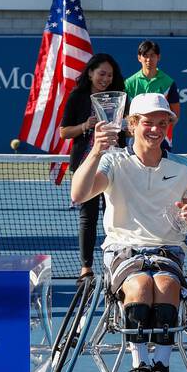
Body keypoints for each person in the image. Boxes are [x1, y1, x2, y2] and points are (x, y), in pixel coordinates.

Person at [70, 92, 187, 372]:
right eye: (148, 122)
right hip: (123, 249)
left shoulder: (185, 168)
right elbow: (79, 195)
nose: (155, 129)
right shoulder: (113, 160)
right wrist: (95, 150)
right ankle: (139, 369)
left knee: (164, 284)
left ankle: (160, 368)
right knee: (140, 286)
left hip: (168, 250)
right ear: (132, 125)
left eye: (162, 122)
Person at [59, 53, 127, 280]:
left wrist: (123, 131)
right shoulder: (77, 97)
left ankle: (115, 264)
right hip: (85, 166)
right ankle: (86, 268)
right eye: (101, 74)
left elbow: (128, 127)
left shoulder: (118, 99)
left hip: (114, 166)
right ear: (90, 73)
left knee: (115, 214)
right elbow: (64, 131)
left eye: (110, 75)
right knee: (88, 217)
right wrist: (83, 126)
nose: (105, 79)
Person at [124, 39, 181, 148]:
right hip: (135, 138)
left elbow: (176, 114)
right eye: (145, 56)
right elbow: (126, 114)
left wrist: (159, 130)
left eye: (152, 55)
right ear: (139, 58)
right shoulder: (129, 83)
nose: (149, 59)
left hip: (161, 139)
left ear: (158, 57)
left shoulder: (169, 82)